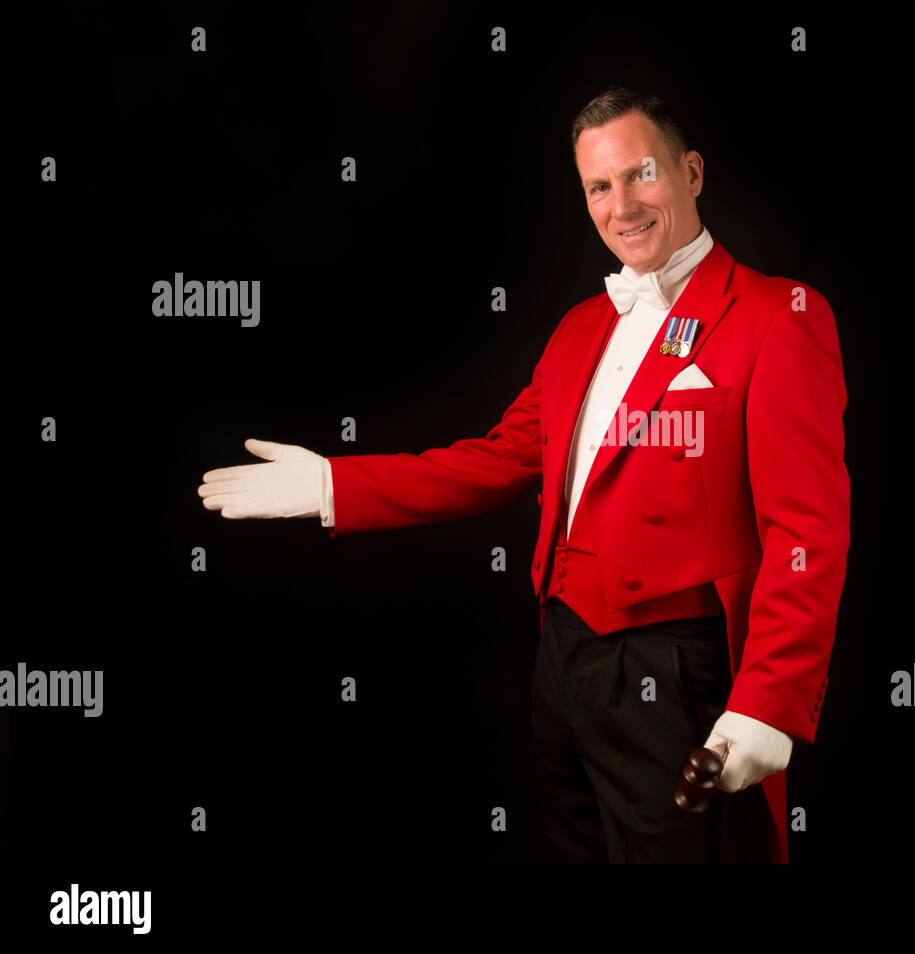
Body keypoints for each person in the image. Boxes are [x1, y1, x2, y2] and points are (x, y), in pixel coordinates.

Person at [198, 87, 850, 863]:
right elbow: (497, 459)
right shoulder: (579, 329)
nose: (622, 205)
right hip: (564, 662)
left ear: (692, 172)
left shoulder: (780, 316)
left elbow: (807, 531)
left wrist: (767, 706)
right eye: (599, 187)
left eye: (640, 175)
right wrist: (336, 486)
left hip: (675, 678)